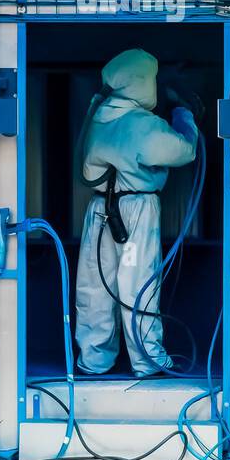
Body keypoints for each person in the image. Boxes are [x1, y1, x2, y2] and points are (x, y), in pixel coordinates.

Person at [75, 48, 198, 377]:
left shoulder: (97, 114)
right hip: (136, 209)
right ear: (141, 82)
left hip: (100, 210)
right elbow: (184, 150)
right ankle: (148, 360)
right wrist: (184, 115)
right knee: (139, 283)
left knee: (94, 287)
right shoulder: (143, 124)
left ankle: (94, 359)